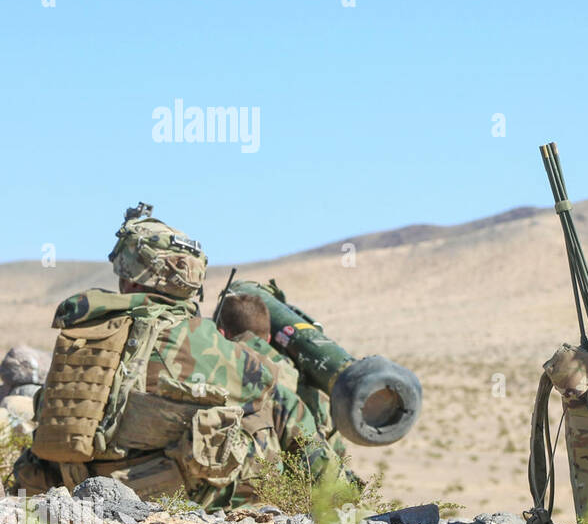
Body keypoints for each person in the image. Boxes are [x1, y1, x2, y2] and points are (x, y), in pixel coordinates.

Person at [14, 204, 340, 508]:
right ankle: (340, 502)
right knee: (278, 405)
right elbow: (265, 384)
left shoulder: (82, 331)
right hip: (170, 498)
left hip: (78, 490)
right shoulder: (198, 339)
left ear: (128, 278)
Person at [215, 292, 352, 464]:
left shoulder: (213, 377)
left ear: (221, 334)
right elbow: (335, 455)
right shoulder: (308, 388)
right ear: (270, 338)